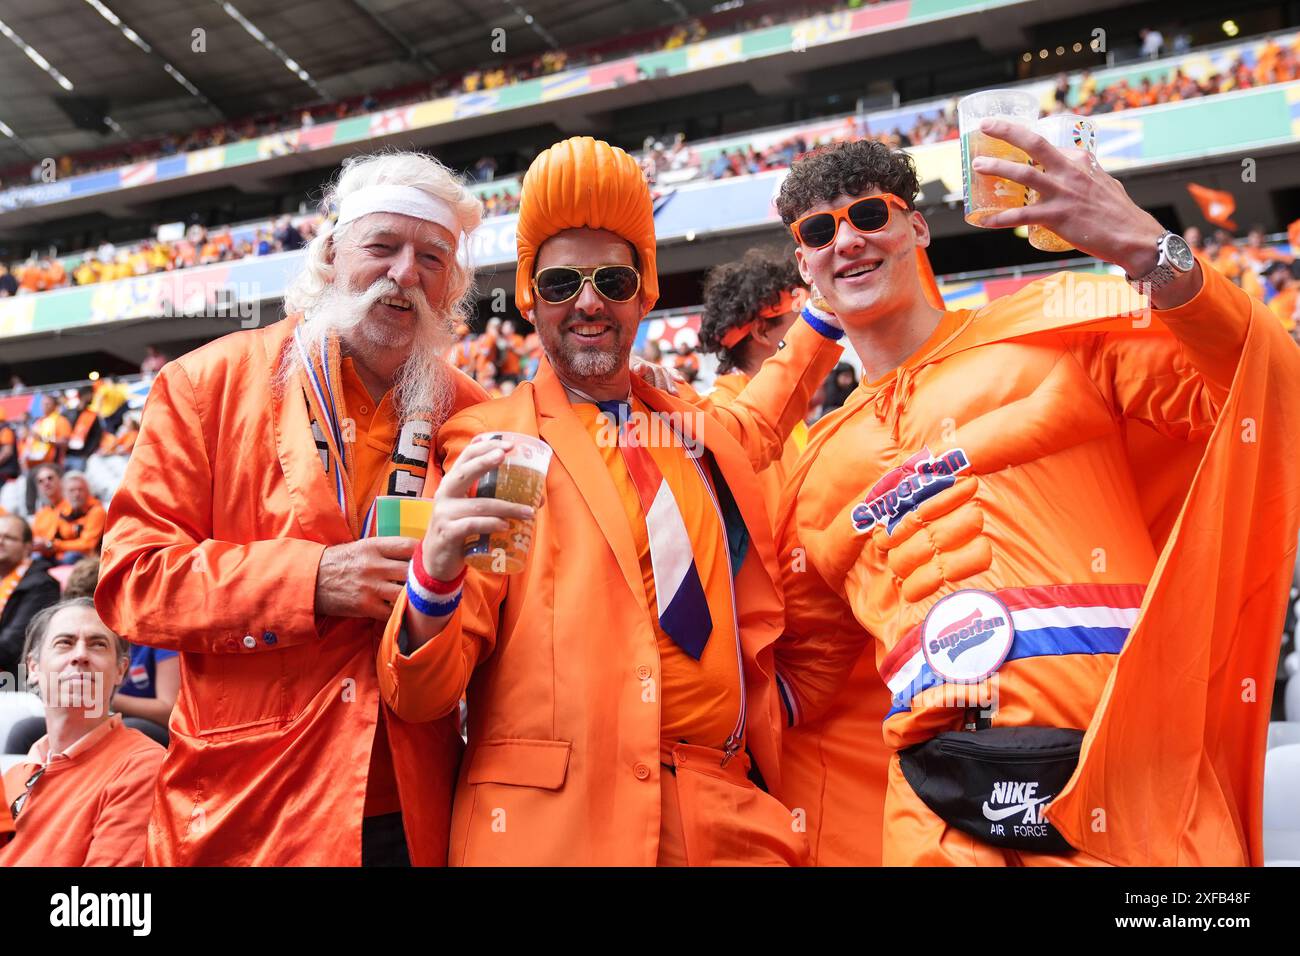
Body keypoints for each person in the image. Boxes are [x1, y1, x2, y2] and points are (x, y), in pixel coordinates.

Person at [772, 133, 1299, 866]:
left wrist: (1151, 254)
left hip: (1123, 780)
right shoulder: (813, 472)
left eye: (870, 214)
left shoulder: (1059, 333)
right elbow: (802, 687)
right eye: (821, 231)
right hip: (934, 818)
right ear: (805, 265)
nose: (848, 240)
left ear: (918, 227)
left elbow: (1256, 393)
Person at [377, 136, 852, 866]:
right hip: (554, 834)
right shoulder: (500, 446)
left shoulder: (691, 429)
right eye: (563, 283)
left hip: (726, 816)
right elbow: (426, 693)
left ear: (645, 293)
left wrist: (828, 309)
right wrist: (434, 577)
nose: (590, 302)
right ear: (531, 297)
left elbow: (763, 414)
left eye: (612, 281)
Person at [95, 150, 493, 867]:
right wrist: (309, 580)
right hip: (249, 804)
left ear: (453, 283)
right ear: (332, 253)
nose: (406, 273)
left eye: (432, 257)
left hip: (416, 804)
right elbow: (134, 581)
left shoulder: (476, 415)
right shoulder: (207, 385)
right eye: (383, 247)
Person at [0, 598, 165, 866]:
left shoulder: (142, 766)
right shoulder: (14, 776)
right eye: (64, 642)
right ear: (33, 669)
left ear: (120, 671)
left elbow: (99, 905)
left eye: (98, 644)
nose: (80, 655)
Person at [697, 247, 810, 522]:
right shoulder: (718, 415)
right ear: (761, 331)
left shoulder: (785, 407)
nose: (812, 331)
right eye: (801, 321)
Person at [0, 514, 60, 677]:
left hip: (15, 680)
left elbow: (13, 645)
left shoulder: (42, 585)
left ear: (28, 547)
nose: (0, 542)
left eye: (9, 538)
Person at [33, 471, 105, 566]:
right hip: (62, 555)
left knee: (71, 556)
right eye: (72, 490)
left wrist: (54, 545)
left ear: (88, 491)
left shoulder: (97, 511)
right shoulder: (63, 512)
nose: (76, 494)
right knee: (36, 559)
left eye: (80, 490)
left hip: (90, 559)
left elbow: (87, 545)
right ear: (65, 494)